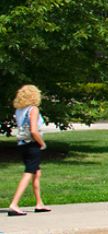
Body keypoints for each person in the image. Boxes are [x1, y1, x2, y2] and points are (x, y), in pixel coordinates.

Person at [7, 85, 49, 217]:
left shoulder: (19, 110)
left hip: (22, 144)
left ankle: (39, 203)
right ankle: (14, 204)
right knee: (29, 172)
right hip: (32, 144)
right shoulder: (33, 109)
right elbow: (34, 130)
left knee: (36, 172)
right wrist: (42, 144)